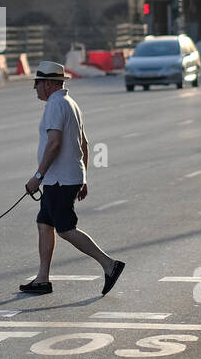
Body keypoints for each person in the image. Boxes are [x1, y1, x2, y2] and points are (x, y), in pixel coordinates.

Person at [21, 60, 125, 296]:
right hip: (65, 178)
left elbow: (55, 143)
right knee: (44, 224)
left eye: (37, 84)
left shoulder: (55, 106)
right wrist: (84, 177)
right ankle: (42, 279)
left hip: (59, 180)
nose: (35, 88)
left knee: (66, 229)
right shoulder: (70, 103)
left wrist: (38, 176)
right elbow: (84, 143)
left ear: (48, 83)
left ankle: (109, 265)